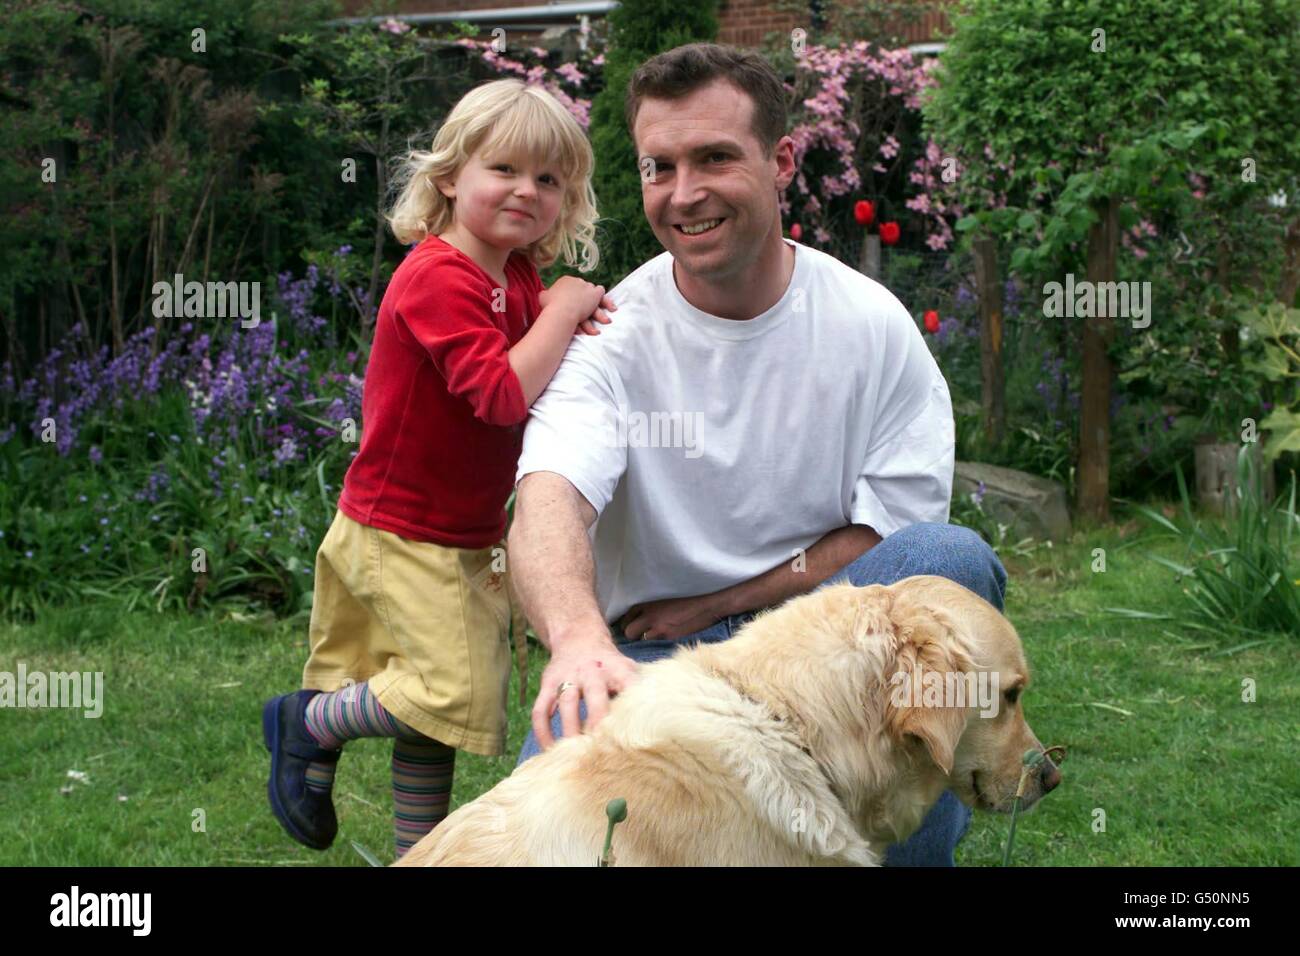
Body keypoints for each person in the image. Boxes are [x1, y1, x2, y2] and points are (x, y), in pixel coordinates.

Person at [507, 44, 1007, 866]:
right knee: (560, 837)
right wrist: (575, 639)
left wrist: (717, 606)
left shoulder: (871, 327)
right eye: (658, 166)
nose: (683, 193)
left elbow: (890, 541)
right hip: (648, 655)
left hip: (833, 643)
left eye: (713, 158)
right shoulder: (608, 336)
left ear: (779, 162)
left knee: (948, 560)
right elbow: (549, 496)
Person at [262, 78, 615, 859]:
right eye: (505, 170)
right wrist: (562, 311)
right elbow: (498, 393)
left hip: (461, 530)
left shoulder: (515, 274)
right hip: (404, 529)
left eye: (549, 179)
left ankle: (416, 856)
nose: (527, 190)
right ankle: (304, 722)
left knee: (434, 731)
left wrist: (563, 314)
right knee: (451, 697)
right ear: (450, 176)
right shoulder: (437, 277)